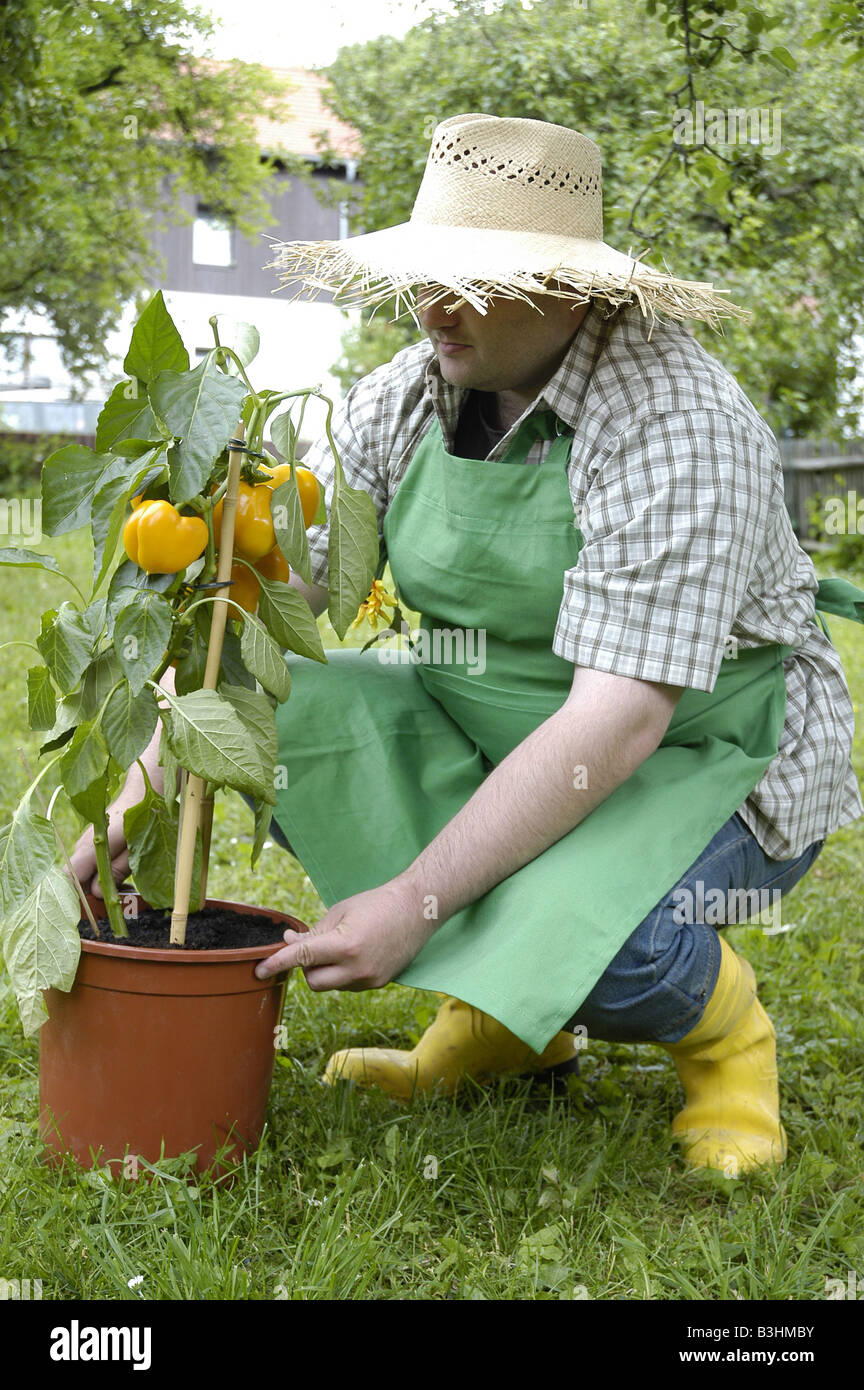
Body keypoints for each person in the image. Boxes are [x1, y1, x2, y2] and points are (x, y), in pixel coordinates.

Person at [71, 114, 864, 1176]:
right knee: (284, 711)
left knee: (605, 940)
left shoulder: (677, 423)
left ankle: (725, 1034)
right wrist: (138, 790)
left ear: (570, 287)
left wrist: (416, 900)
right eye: (426, 275)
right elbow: (259, 607)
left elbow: (618, 718)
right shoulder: (412, 393)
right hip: (497, 723)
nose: (434, 307)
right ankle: (508, 1025)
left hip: (699, 758)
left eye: (475, 283)